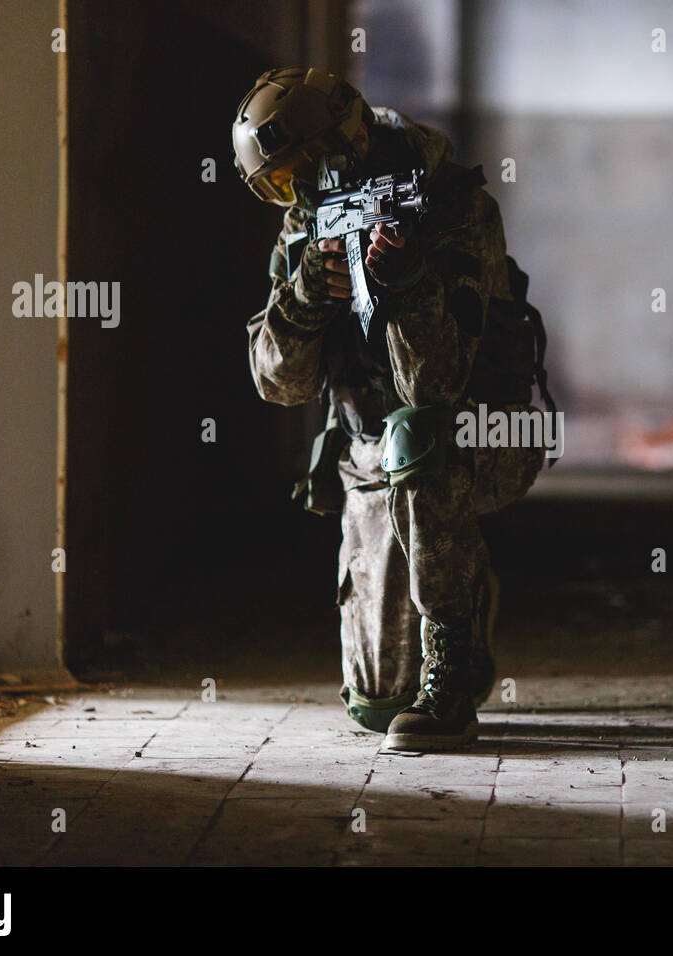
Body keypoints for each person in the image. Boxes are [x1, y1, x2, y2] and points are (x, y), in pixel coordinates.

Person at [232, 67, 547, 751]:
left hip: (480, 433)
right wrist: (306, 298)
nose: (299, 195)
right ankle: (465, 586)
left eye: (300, 174)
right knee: (376, 707)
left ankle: (452, 670)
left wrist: (402, 285)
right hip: (371, 452)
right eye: (281, 185)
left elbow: (436, 386)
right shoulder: (306, 224)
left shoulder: (453, 207)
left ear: (339, 147)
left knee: (418, 435)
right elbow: (278, 384)